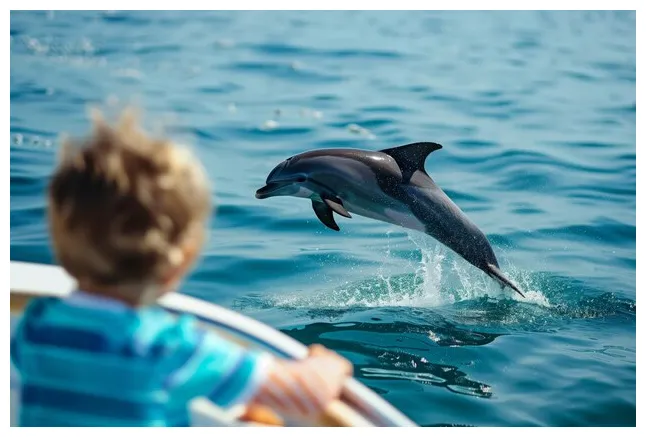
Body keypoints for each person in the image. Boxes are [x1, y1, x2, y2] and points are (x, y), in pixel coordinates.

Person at [10, 108, 353, 427]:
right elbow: (303, 395)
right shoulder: (170, 348)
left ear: (60, 242)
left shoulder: (36, 324)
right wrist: (326, 364)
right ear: (183, 259)